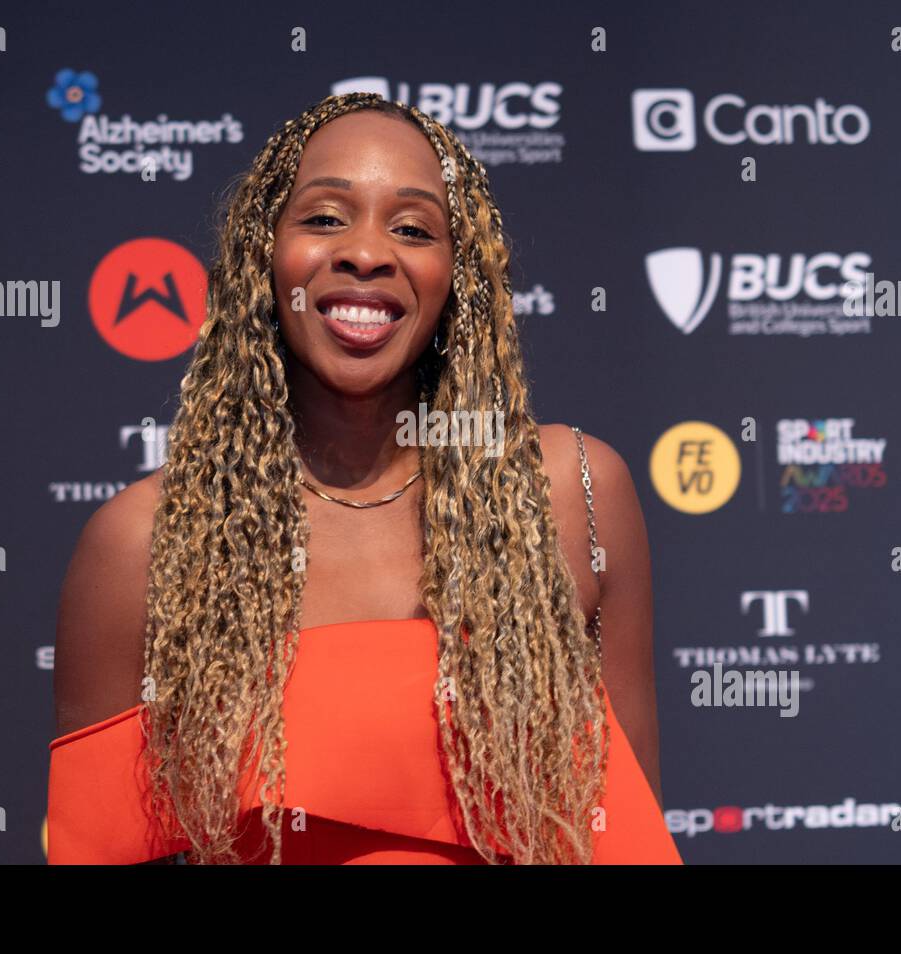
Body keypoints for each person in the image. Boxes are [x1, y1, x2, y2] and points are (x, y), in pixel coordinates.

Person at [48, 92, 683, 865]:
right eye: (323, 218)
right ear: (262, 255)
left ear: (459, 276)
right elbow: (103, 847)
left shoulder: (568, 492)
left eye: (413, 229)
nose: (367, 252)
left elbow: (629, 831)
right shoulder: (146, 542)